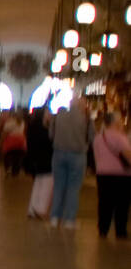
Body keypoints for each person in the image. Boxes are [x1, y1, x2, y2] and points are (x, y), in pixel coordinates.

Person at [49, 97, 94, 229]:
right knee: (73, 188)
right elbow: (92, 137)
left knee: (58, 186)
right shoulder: (86, 119)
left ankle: (54, 217)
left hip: (58, 154)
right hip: (78, 156)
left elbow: (51, 134)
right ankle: (69, 219)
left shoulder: (58, 117)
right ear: (82, 106)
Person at [91, 111, 131, 239]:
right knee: (121, 204)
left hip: (102, 174)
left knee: (104, 203)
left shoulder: (98, 138)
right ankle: (120, 231)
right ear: (115, 122)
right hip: (121, 175)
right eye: (119, 120)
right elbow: (128, 157)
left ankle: (103, 229)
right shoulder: (120, 138)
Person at [25, 108, 54, 218]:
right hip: (46, 161)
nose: (50, 114)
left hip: (35, 161)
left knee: (37, 185)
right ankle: (40, 210)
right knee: (46, 186)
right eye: (48, 112)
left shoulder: (32, 127)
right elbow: (48, 145)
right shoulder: (44, 130)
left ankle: (32, 209)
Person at [0, 111, 27, 177]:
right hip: (20, 140)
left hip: (11, 141)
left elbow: (5, 133)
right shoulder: (22, 122)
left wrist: (1, 141)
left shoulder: (10, 123)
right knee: (17, 157)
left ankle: (8, 169)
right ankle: (15, 172)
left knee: (7, 155)